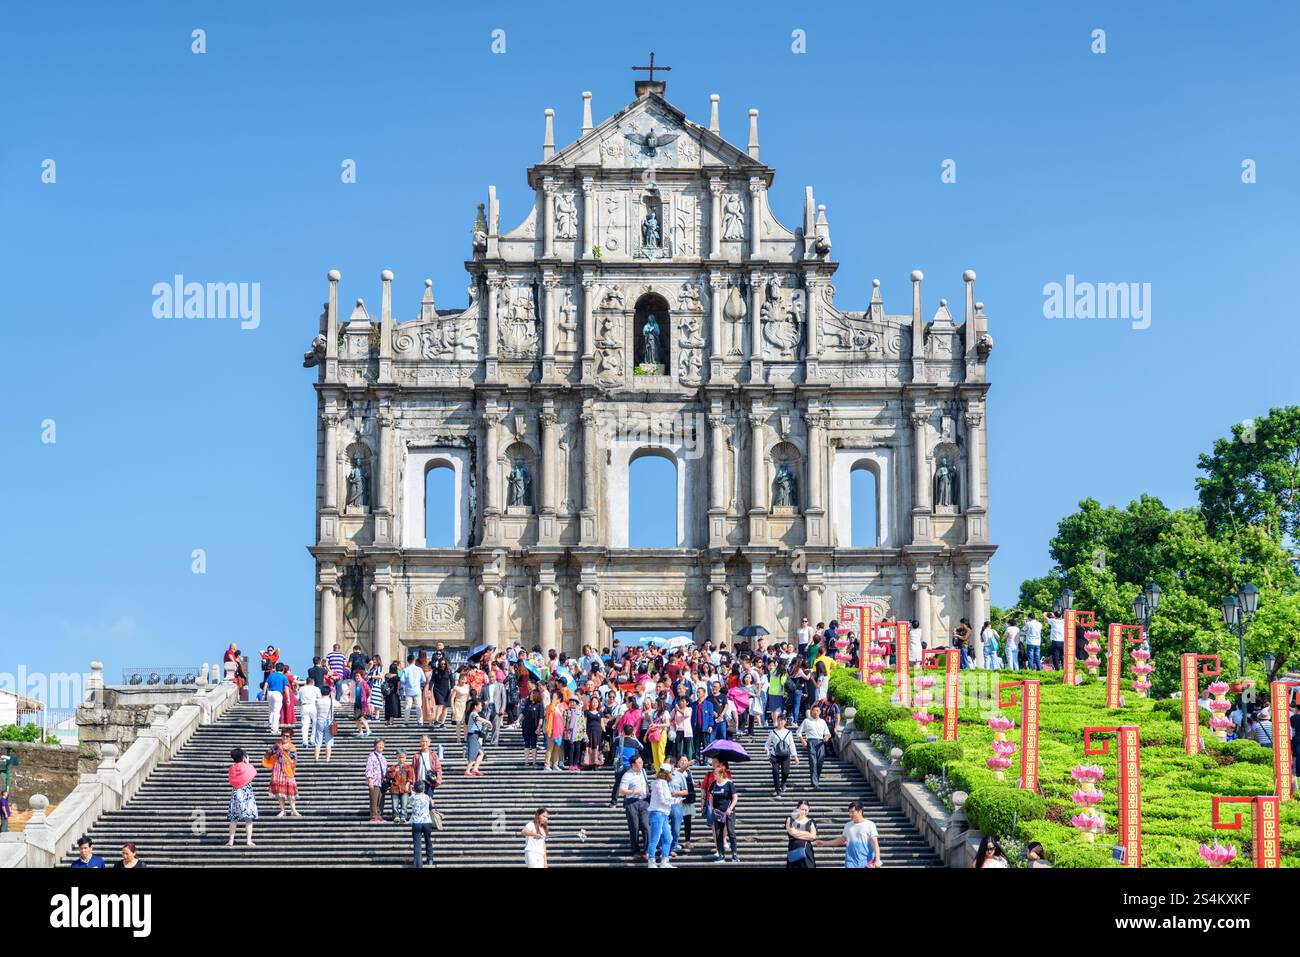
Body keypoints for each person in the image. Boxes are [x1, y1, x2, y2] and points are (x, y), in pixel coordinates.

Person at [815, 800, 881, 868]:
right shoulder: (848, 825)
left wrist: (877, 859)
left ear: (860, 811)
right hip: (850, 862)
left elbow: (875, 843)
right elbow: (841, 840)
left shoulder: (870, 825)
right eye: (849, 812)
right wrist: (824, 843)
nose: (850, 814)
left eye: (852, 812)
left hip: (866, 862)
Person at [705, 757, 739, 863]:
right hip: (718, 813)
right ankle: (721, 855)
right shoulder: (714, 784)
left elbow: (735, 797)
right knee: (718, 833)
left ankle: (734, 855)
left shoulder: (729, 783)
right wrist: (712, 807)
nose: (713, 775)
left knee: (731, 832)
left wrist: (730, 809)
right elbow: (710, 796)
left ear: (720, 774)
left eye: (715, 774)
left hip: (728, 812)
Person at [619, 754, 651, 860]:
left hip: (644, 802)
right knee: (634, 827)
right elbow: (621, 791)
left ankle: (647, 850)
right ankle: (635, 850)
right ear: (633, 764)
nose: (642, 764)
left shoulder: (643, 772)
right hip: (632, 802)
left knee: (646, 825)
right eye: (639, 762)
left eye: (642, 762)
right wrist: (634, 791)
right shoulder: (627, 775)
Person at [646, 762, 677, 868]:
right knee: (655, 838)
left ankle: (664, 861)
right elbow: (663, 800)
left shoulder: (662, 783)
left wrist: (673, 800)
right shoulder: (659, 783)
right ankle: (651, 861)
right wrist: (675, 801)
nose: (672, 775)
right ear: (667, 773)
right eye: (671, 772)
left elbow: (665, 799)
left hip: (663, 813)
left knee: (668, 838)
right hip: (657, 813)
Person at [227, 747, 258, 847]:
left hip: (236, 792)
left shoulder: (232, 768)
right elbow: (253, 772)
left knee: (234, 819)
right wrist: (247, 763)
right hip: (246, 793)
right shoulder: (246, 766)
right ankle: (248, 840)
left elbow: (231, 781)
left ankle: (231, 840)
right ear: (243, 757)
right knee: (248, 818)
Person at [264, 729, 300, 817]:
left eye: (287, 736)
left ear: (290, 738)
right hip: (278, 769)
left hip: (288, 770)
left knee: (290, 789)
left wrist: (291, 765)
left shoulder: (292, 747)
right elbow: (268, 754)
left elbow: (294, 760)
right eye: (283, 735)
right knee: (279, 790)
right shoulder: (277, 745)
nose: (284, 737)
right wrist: (275, 752)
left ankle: (293, 809)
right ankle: (282, 810)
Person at [798, 703, 831, 790]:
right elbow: (798, 732)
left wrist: (826, 737)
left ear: (820, 712)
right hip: (811, 742)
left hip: (820, 742)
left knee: (820, 763)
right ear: (811, 712)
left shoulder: (822, 722)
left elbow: (828, 733)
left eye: (817, 711)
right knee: (813, 762)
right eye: (814, 711)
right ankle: (815, 783)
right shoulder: (806, 721)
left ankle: (816, 780)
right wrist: (803, 740)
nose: (816, 713)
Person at [765, 712, 798, 795]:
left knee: (786, 772)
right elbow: (767, 744)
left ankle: (783, 783)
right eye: (779, 720)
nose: (780, 722)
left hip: (786, 755)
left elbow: (792, 744)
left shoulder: (789, 732)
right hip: (774, 755)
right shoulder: (773, 732)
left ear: (785, 721)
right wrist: (767, 752)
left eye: (782, 720)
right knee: (775, 772)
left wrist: (795, 756)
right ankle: (777, 790)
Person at [669, 755, 694, 855]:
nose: (684, 762)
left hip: (687, 800)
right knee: (673, 823)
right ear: (678, 763)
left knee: (686, 821)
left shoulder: (688, 773)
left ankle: (686, 840)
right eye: (682, 760)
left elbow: (689, 785)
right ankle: (672, 843)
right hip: (675, 802)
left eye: (686, 760)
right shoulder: (676, 772)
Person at [785, 799, 817, 868]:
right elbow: (791, 832)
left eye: (806, 810)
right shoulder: (790, 819)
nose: (804, 812)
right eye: (802, 809)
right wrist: (807, 834)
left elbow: (813, 837)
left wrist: (796, 833)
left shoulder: (811, 822)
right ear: (797, 809)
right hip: (793, 851)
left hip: (807, 853)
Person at [410, 781, 434, 868]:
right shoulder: (427, 797)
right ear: (424, 789)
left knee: (417, 843)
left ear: (415, 789)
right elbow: (432, 805)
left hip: (416, 823)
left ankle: (418, 864)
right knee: (428, 840)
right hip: (427, 822)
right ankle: (430, 859)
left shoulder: (412, 798)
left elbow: (410, 803)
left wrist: (412, 793)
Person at [388, 751, 416, 822]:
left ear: (405, 758)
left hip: (405, 788)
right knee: (395, 804)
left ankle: (403, 816)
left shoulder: (409, 767)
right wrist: (395, 771)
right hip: (395, 788)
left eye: (403, 757)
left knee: (404, 804)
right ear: (397, 758)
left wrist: (407, 784)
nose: (401, 759)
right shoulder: (393, 767)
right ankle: (396, 816)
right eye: (399, 757)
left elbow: (410, 778)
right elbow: (389, 776)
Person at [465, 700, 490, 776]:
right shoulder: (473, 713)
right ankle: (467, 771)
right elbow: (477, 719)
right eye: (480, 705)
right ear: (475, 706)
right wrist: (487, 721)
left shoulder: (476, 714)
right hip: (472, 735)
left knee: (481, 753)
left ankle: (475, 769)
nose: (481, 707)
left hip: (476, 736)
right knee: (473, 753)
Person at [365, 739, 388, 823]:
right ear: (375, 745)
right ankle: (374, 816)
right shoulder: (372, 757)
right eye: (379, 744)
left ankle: (379, 815)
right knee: (374, 799)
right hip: (374, 781)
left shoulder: (383, 758)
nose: (381, 746)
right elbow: (369, 769)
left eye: (382, 744)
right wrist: (370, 780)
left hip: (382, 782)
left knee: (381, 800)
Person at [263, 663, 289, 734]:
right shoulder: (283, 677)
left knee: (271, 710)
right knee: (276, 712)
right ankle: (274, 729)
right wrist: (288, 698)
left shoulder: (271, 675)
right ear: (283, 669)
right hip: (277, 694)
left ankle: (271, 724)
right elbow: (286, 688)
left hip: (270, 693)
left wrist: (264, 693)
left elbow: (266, 684)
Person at [521, 689, 544, 768]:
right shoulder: (528, 704)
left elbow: (541, 717)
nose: (530, 696)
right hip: (526, 727)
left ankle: (534, 761)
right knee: (526, 743)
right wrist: (517, 720)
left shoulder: (540, 705)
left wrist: (539, 727)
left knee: (533, 744)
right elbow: (523, 713)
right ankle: (526, 761)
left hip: (534, 727)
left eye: (532, 695)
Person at [313, 682, 335, 761]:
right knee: (328, 741)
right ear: (329, 692)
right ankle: (327, 759)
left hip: (319, 720)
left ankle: (316, 758)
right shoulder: (331, 701)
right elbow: (339, 704)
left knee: (318, 740)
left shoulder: (317, 701)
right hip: (329, 721)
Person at [401, 654, 425, 723]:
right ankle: (420, 721)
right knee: (418, 706)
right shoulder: (419, 669)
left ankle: (406, 721)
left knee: (408, 706)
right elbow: (424, 680)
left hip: (408, 691)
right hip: (417, 690)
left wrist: (406, 683)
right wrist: (418, 683)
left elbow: (402, 680)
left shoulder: (406, 670)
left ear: (408, 661)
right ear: (414, 660)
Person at [298, 675, 321, 747]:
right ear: (313, 682)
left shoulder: (301, 689)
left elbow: (298, 699)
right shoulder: (316, 689)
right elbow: (319, 698)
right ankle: (312, 739)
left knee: (305, 725)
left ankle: (305, 741)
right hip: (313, 706)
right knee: (315, 724)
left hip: (304, 706)